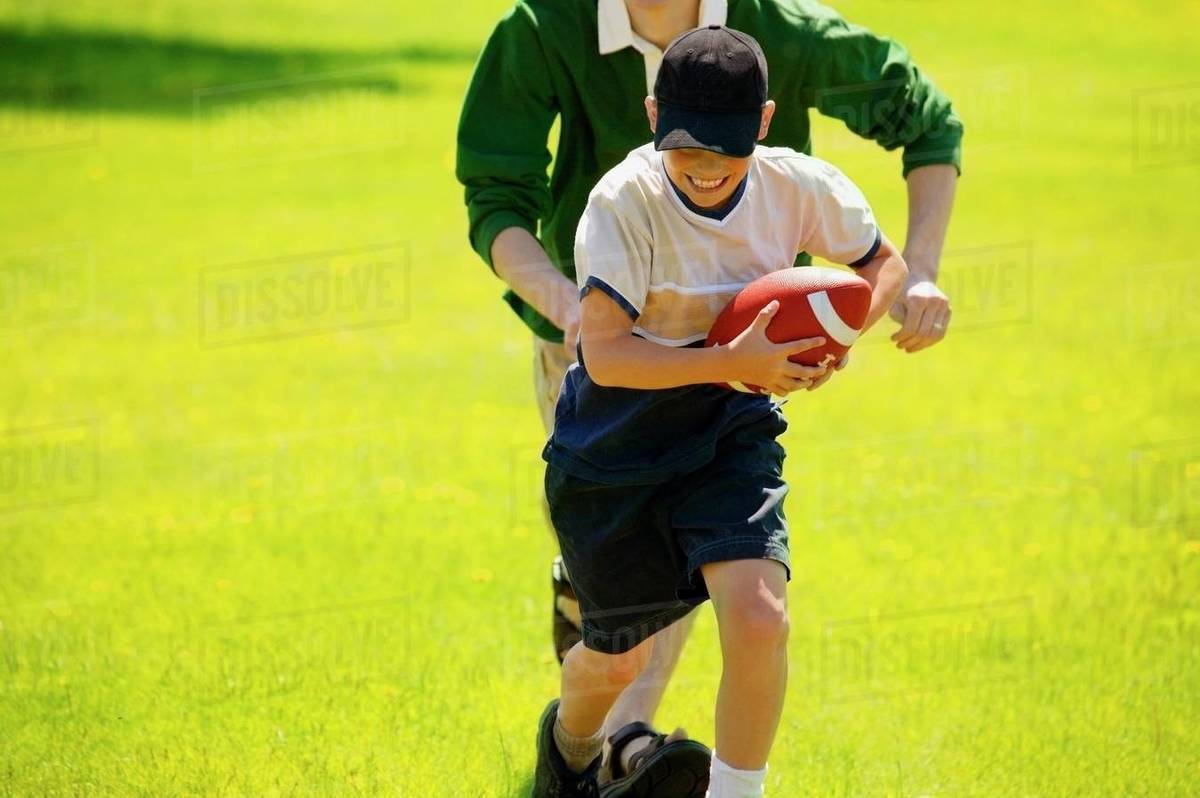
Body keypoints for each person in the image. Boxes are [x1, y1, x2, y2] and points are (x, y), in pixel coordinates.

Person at [456, 0, 962, 789]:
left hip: (734, 418)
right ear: (653, 112)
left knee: (758, 615)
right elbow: (605, 349)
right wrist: (702, 344)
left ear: (762, 123)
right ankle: (576, 745)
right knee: (617, 650)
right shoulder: (616, 192)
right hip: (613, 427)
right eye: (685, 153)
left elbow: (881, 257)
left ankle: (685, 769)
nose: (703, 173)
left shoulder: (795, 159)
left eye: (722, 157)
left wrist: (831, 336)